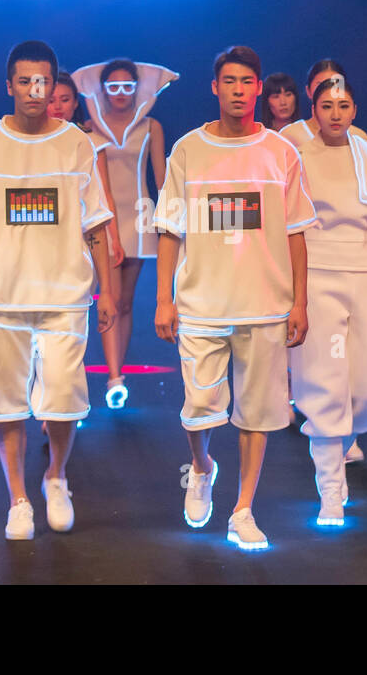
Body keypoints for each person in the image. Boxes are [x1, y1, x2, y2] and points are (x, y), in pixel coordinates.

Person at [0, 41, 117, 540]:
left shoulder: (76, 144)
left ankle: (56, 476)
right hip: (0, 296)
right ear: (9, 86)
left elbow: (98, 221)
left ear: (54, 86)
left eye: (42, 82)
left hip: (64, 295)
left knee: (62, 400)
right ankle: (18, 498)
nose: (33, 90)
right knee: (6, 402)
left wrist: (106, 290)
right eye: (24, 81)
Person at [153, 45, 316, 550]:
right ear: (215, 87)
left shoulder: (281, 152)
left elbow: (295, 233)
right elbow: (169, 229)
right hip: (201, 302)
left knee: (257, 413)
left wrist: (300, 302)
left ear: (259, 88)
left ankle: (243, 509)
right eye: (229, 81)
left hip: (265, 304)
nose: (239, 90)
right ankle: (202, 466)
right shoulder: (187, 150)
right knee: (199, 407)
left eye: (248, 81)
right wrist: (164, 298)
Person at [287, 77, 367, 525]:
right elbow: (291, 229)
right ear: (314, 109)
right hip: (319, 275)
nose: (335, 113)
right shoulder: (296, 156)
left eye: (343, 105)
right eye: (327, 105)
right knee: (324, 380)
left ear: (355, 109)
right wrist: (296, 295)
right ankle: (329, 489)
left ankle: (342, 449)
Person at [72, 59, 177, 408]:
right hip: (102, 219)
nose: (120, 93)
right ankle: (114, 376)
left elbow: (161, 178)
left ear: (137, 89)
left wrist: (173, 220)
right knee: (109, 297)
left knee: (127, 302)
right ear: (102, 91)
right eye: (113, 87)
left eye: (127, 86)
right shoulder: (92, 127)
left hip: (139, 216)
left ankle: (118, 372)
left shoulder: (151, 126)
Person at [49, 71, 124, 410]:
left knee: (106, 305)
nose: (58, 106)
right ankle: (63, 395)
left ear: (75, 103)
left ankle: (113, 376)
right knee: (65, 319)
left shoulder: (92, 141)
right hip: (54, 243)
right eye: (52, 99)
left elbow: (105, 194)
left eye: (65, 99)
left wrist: (115, 237)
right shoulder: (34, 142)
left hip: (91, 235)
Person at [278, 60, 367, 147]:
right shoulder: (289, 135)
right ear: (308, 91)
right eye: (321, 85)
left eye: (334, 84)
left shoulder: (359, 137)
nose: (327, 90)